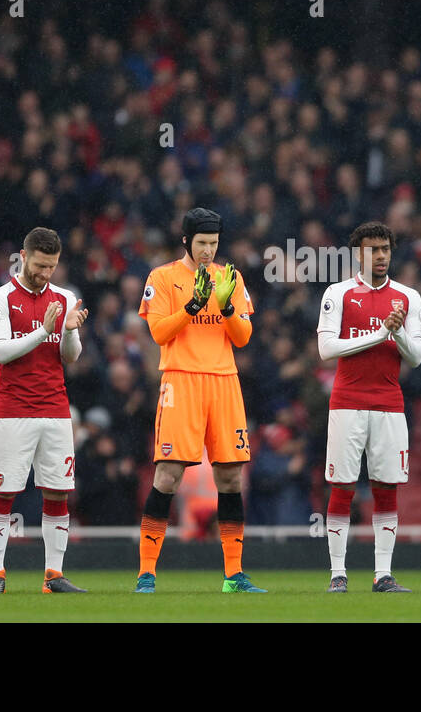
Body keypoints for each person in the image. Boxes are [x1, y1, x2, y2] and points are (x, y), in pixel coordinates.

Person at [134, 208, 263, 593]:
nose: (208, 250)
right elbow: (158, 332)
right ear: (186, 241)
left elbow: (242, 337)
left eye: (214, 243)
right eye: (202, 243)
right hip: (181, 380)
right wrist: (192, 306)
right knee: (168, 475)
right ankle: (146, 573)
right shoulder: (163, 277)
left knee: (229, 476)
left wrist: (224, 305)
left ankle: (233, 575)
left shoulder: (231, 278)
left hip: (224, 381)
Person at [316, 222, 421, 592]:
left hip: (390, 405)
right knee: (342, 488)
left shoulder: (407, 297)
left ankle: (383, 574)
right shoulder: (338, 293)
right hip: (347, 402)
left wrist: (398, 333)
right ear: (357, 254)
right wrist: (380, 333)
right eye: (372, 250)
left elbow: (417, 357)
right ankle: (338, 574)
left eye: (385, 250)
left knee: (386, 488)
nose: (380, 256)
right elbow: (327, 349)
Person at [0, 227, 89, 594]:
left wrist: (70, 331)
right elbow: (0, 352)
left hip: (56, 410)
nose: (46, 273)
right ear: (23, 257)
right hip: (14, 410)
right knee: (4, 493)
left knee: (58, 492)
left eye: (53, 267)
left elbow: (70, 357)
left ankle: (53, 576)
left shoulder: (64, 297)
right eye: (41, 265)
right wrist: (44, 331)